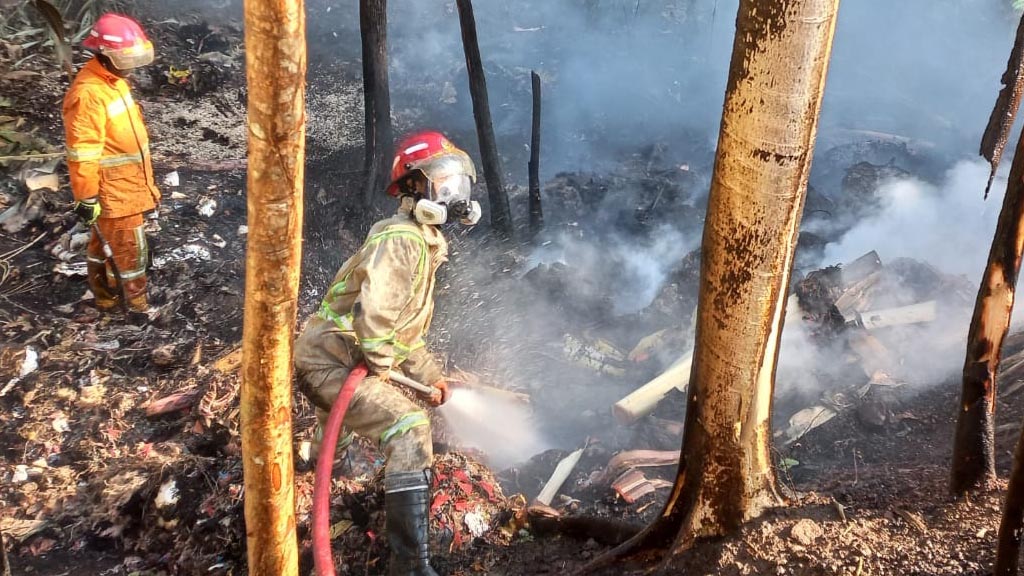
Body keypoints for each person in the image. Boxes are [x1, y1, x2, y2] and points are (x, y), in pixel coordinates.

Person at [295, 131, 481, 576]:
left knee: (334, 452)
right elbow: (374, 320)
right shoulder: (403, 240)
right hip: (331, 362)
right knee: (411, 430)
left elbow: (403, 335)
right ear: (415, 189)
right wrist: (380, 365)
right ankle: (410, 566)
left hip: (336, 355)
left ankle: (335, 499)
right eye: (444, 186)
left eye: (459, 185)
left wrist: (430, 375)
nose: (454, 198)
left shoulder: (422, 240)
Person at [63, 13, 160, 313]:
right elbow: (83, 153)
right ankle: (137, 307)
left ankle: (105, 297)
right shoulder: (90, 94)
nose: (130, 67)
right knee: (130, 251)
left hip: (128, 183)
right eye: (125, 59)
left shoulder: (113, 82)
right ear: (103, 53)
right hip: (115, 191)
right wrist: (87, 196)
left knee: (103, 245)